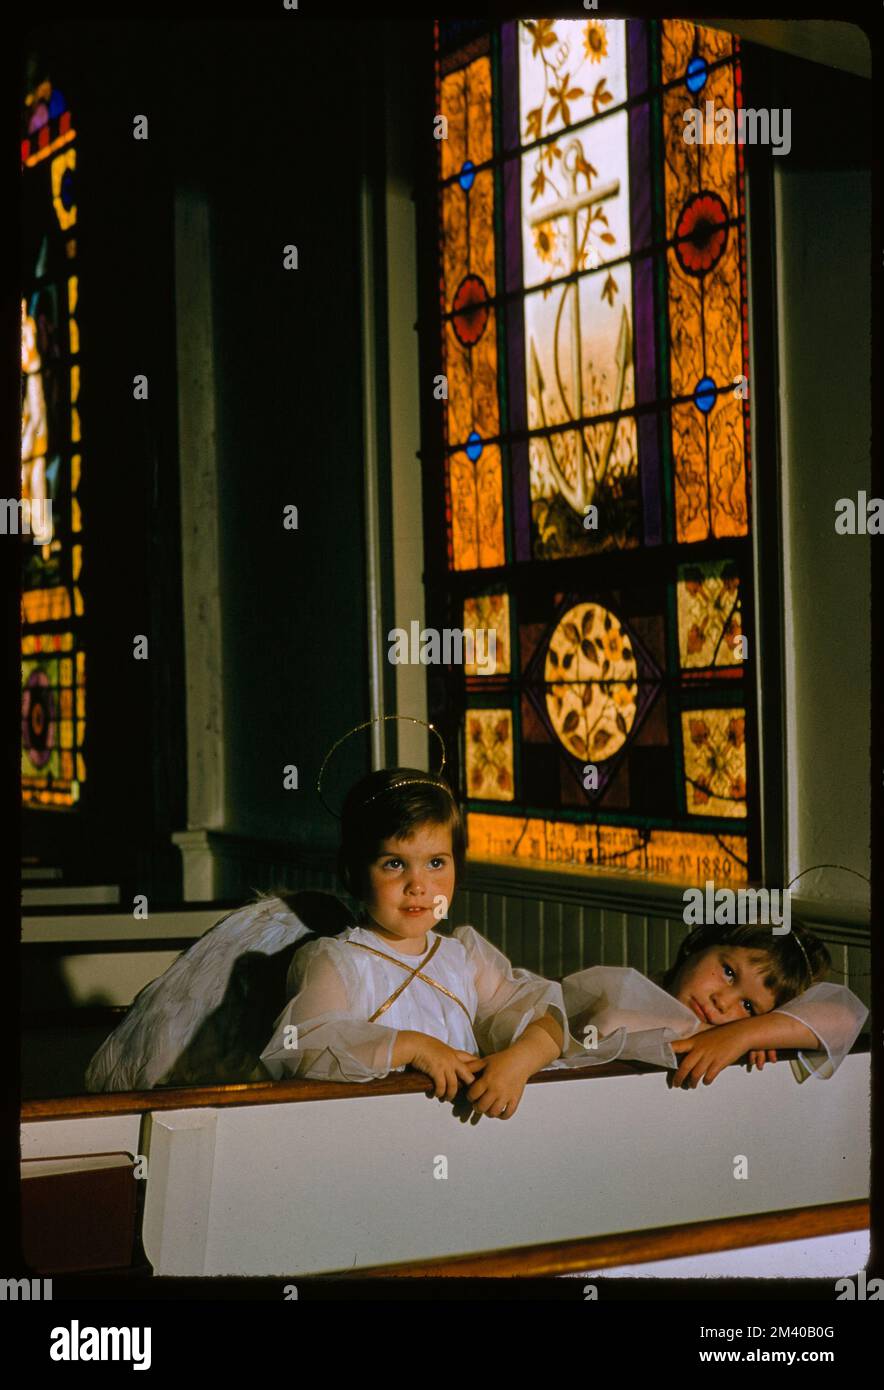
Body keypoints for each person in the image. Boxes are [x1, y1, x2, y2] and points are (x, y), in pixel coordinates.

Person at [259, 768, 568, 1120]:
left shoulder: (462, 957)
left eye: (436, 863)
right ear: (354, 872)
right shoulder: (337, 961)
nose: (417, 885)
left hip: (456, 1132)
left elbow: (548, 1017)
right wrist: (412, 1046)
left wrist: (520, 1060)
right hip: (372, 1133)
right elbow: (303, 1048)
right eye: (394, 864)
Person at [558, 920, 868, 1089]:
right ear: (700, 944)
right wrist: (715, 1033)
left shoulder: (738, 1031)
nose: (723, 1002)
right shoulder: (626, 988)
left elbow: (844, 1017)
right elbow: (609, 1024)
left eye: (749, 1007)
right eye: (729, 972)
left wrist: (745, 1034)